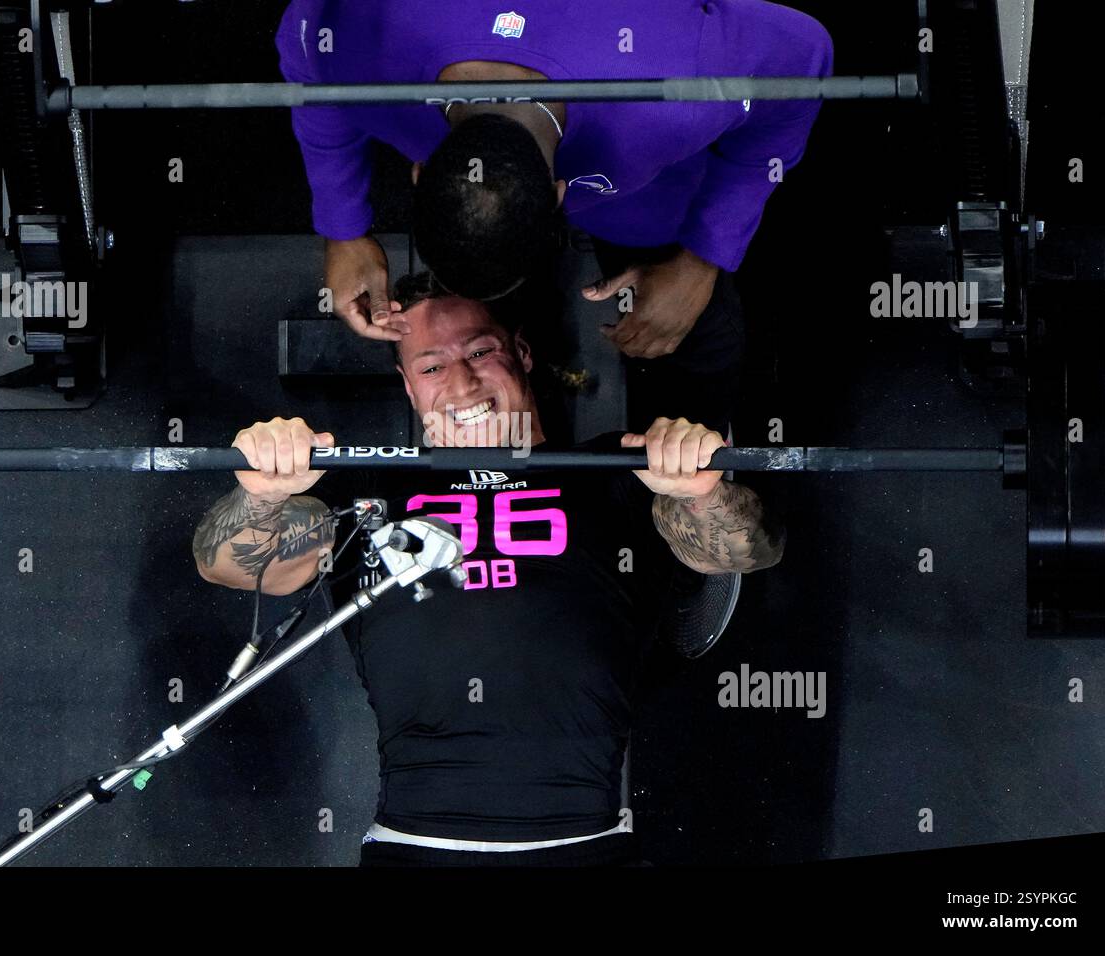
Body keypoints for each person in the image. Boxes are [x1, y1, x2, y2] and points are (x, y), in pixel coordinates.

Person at [191, 278, 785, 866]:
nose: (462, 382)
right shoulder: (367, 486)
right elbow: (227, 566)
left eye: (479, 351)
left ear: (521, 353)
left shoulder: (619, 468)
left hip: (587, 848)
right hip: (413, 850)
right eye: (431, 367)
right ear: (406, 385)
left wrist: (703, 494)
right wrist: (263, 496)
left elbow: (742, 553)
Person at [275, 0, 833, 432]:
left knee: (705, 336)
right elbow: (305, 58)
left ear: (565, 198)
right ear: (420, 175)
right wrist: (342, 228)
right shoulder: (352, 41)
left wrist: (703, 257)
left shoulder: (681, 94)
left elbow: (806, 56)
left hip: (648, 196)